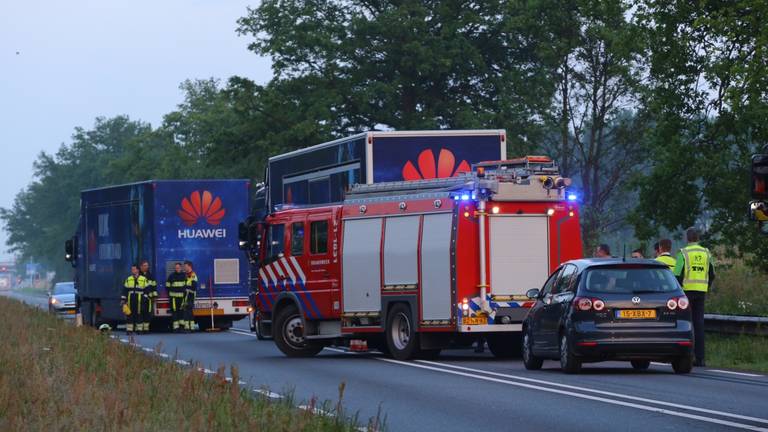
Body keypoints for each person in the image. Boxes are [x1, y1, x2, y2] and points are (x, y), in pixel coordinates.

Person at [674, 228, 715, 367]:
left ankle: (687, 356)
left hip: (686, 293)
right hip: (701, 292)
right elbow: (712, 273)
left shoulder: (683, 253)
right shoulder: (706, 253)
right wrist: (706, 287)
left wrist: (677, 293)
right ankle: (701, 358)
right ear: (698, 238)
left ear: (687, 238)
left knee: (686, 324)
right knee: (699, 324)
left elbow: (677, 276)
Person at [121, 264, 148, 335]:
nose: (132, 270)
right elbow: (125, 290)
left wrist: (144, 298)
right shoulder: (128, 279)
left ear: (138, 270)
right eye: (132, 269)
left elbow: (147, 290)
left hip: (139, 300)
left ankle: (139, 330)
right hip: (130, 300)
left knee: (139, 315)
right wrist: (123, 299)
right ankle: (129, 330)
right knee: (129, 315)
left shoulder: (143, 279)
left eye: (134, 269)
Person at [166, 262, 187, 332]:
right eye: (176, 268)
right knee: (174, 312)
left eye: (178, 268)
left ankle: (182, 327)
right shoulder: (171, 276)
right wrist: (170, 294)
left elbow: (186, 286)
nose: (177, 269)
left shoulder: (184, 276)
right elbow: (167, 286)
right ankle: (175, 328)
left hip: (182, 298)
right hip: (173, 298)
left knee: (181, 312)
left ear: (181, 268)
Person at [139, 260, 158, 333]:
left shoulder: (150, 275)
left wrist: (154, 296)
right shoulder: (138, 276)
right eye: (145, 265)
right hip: (140, 298)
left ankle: (146, 328)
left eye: (147, 265)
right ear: (141, 267)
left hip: (149, 299)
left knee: (148, 314)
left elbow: (154, 287)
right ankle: (140, 329)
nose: (146, 267)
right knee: (140, 313)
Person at [182, 260, 199, 332]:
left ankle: (190, 328)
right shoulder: (186, 274)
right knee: (186, 311)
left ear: (189, 266)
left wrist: (186, 287)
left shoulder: (193, 275)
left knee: (189, 311)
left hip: (190, 296)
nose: (184, 268)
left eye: (185, 266)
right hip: (186, 296)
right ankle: (188, 327)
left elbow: (194, 287)